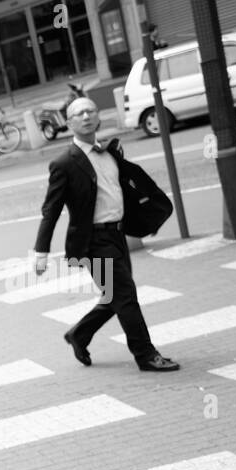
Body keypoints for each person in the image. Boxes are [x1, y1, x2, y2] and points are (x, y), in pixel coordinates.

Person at [32, 97, 179, 372]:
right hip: (93, 242)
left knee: (116, 296)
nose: (86, 116)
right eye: (79, 113)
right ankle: (145, 355)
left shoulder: (110, 152)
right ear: (70, 122)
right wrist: (41, 253)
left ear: (98, 117)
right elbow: (50, 210)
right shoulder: (64, 163)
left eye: (91, 111)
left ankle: (79, 334)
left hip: (118, 236)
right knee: (125, 297)